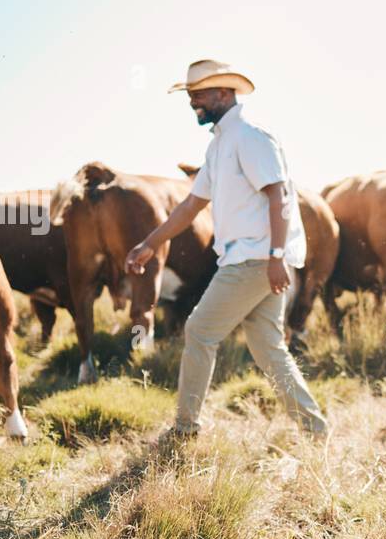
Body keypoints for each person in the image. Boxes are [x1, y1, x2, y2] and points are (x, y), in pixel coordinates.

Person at [125, 59, 327, 439]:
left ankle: (185, 429)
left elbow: (280, 195)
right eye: (189, 95)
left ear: (223, 91)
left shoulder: (250, 136)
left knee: (199, 331)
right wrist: (150, 243)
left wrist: (277, 257)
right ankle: (315, 429)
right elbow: (190, 206)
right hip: (251, 259)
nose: (192, 102)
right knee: (269, 348)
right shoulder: (220, 145)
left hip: (256, 259)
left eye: (198, 94)